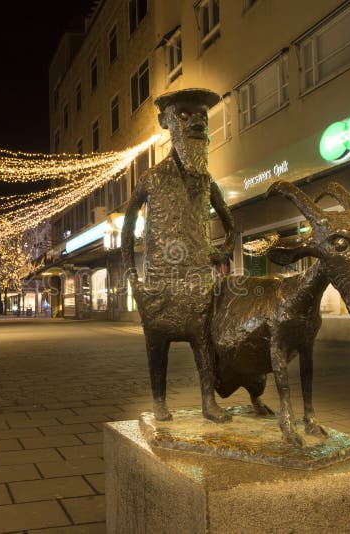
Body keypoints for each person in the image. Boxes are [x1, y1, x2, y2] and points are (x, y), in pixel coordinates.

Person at [121, 88, 236, 423]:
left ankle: (208, 403)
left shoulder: (205, 180)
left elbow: (230, 224)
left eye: (202, 116)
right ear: (166, 122)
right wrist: (133, 279)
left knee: (204, 343)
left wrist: (219, 252)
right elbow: (127, 229)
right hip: (159, 281)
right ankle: (159, 402)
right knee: (158, 347)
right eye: (185, 116)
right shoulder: (152, 178)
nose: (197, 122)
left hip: (197, 278)